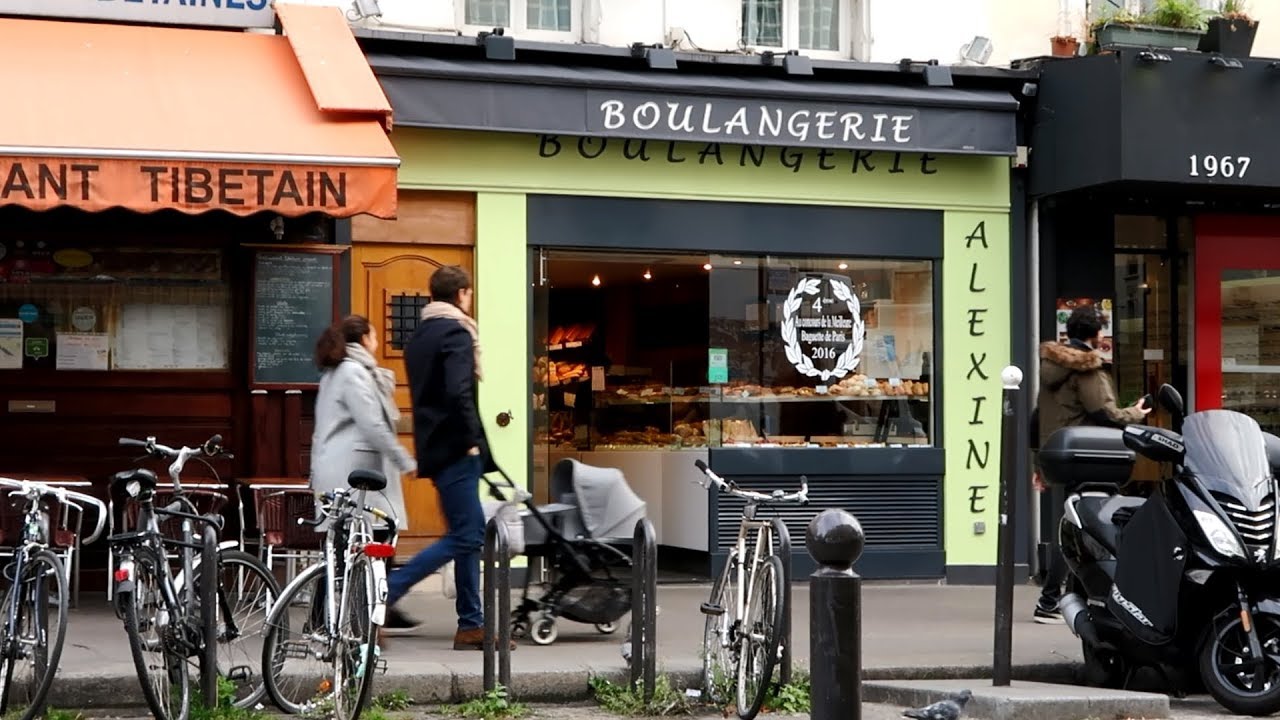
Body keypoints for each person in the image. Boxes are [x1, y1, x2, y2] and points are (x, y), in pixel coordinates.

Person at [384, 265, 508, 651]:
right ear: (462, 295)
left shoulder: (420, 335)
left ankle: (472, 624)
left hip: (435, 449)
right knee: (466, 535)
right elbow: (458, 392)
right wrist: (472, 441)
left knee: (467, 536)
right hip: (457, 448)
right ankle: (382, 595)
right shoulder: (456, 331)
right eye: (469, 295)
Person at [1032, 304, 1151, 624]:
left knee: (1070, 523)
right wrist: (1136, 414)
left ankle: (1072, 597)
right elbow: (1104, 413)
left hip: (1057, 453)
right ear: (1098, 335)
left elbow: (1037, 415)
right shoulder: (1087, 368)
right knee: (1081, 528)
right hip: (1087, 455)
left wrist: (1038, 461)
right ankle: (1050, 599)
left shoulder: (1050, 365)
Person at [309, 315, 415, 537]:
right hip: (356, 475)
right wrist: (404, 461)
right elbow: (372, 424)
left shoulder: (333, 373)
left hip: (336, 472)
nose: (376, 342)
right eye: (374, 335)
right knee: (375, 543)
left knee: (344, 550)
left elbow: (319, 432)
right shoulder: (353, 372)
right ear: (366, 339)